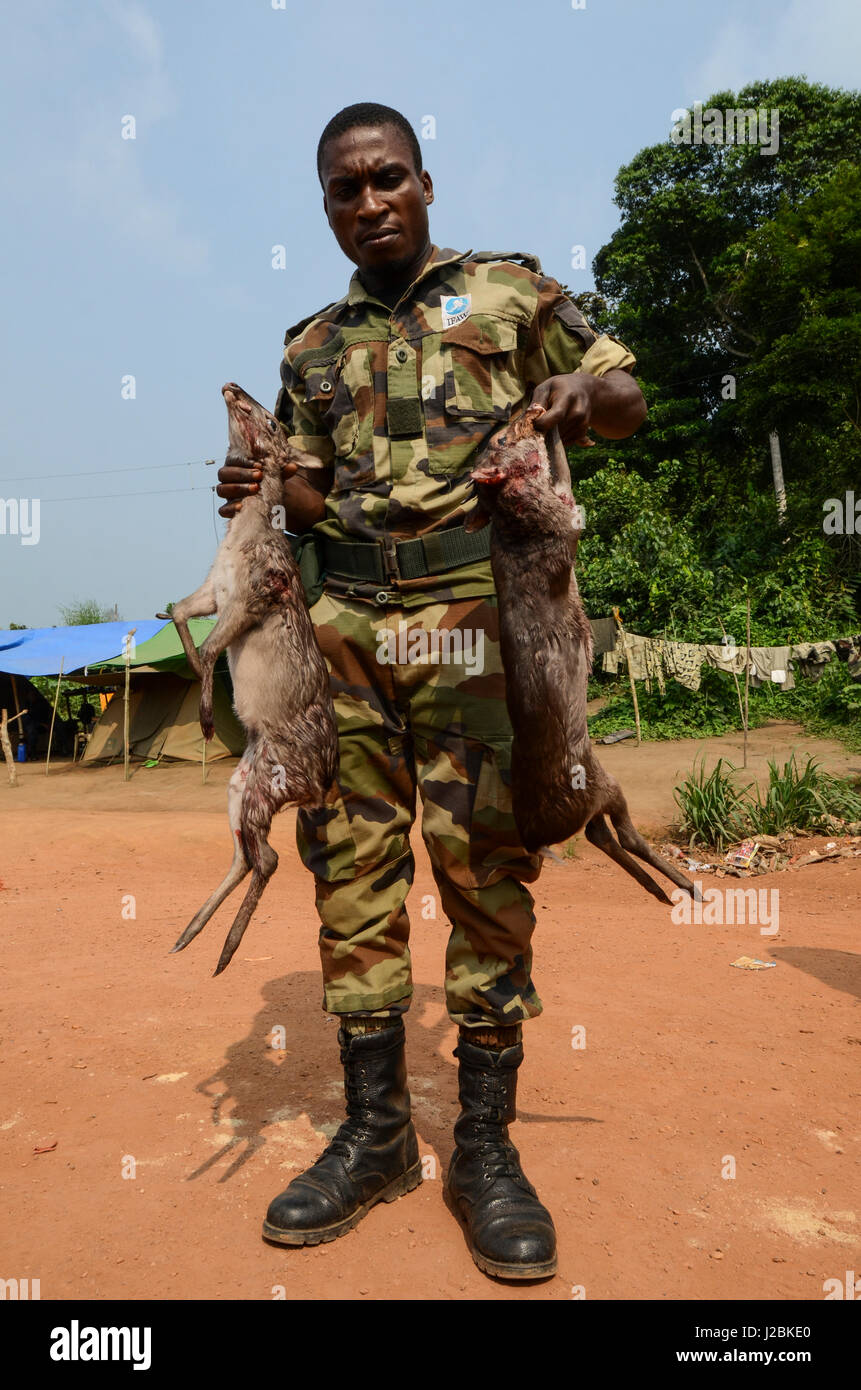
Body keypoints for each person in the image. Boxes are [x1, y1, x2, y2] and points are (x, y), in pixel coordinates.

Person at [217, 103, 645, 1281]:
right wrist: (257, 483)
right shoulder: (308, 343)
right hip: (345, 632)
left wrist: (575, 401)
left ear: (425, 183)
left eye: (387, 180)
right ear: (327, 206)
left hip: (477, 620)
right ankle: (376, 1134)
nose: (368, 204)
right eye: (344, 191)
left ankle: (488, 1149)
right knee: (348, 870)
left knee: (486, 870)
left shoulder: (511, 295)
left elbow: (628, 398)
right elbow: (304, 497)